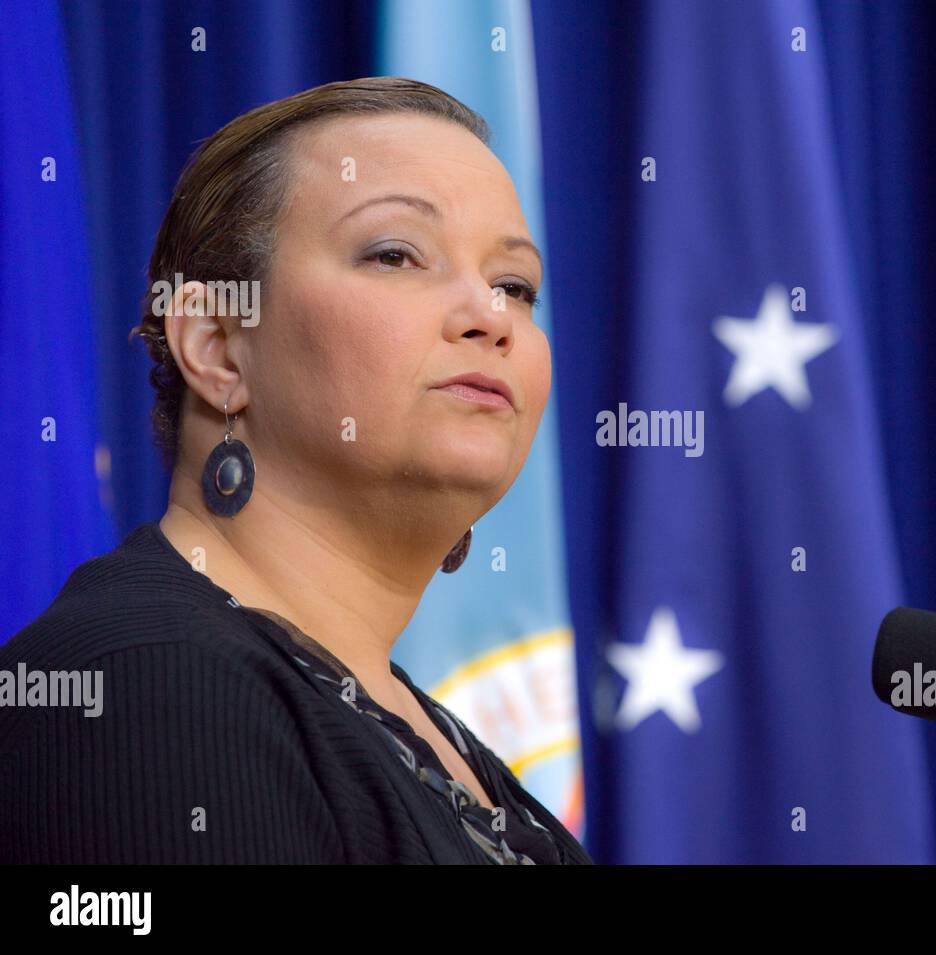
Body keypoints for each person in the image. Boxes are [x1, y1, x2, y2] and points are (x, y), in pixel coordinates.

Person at [0, 76, 592, 864]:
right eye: (395, 254)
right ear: (215, 347)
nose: (490, 315)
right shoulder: (144, 685)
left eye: (515, 285)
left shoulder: (433, 736)